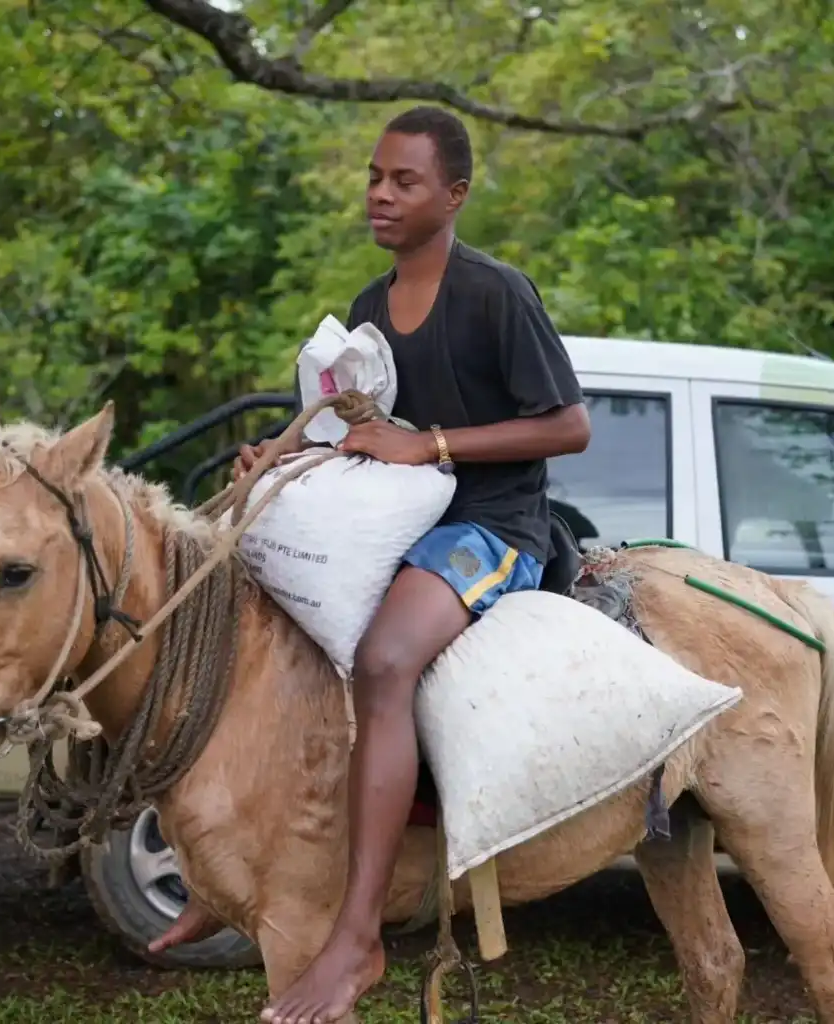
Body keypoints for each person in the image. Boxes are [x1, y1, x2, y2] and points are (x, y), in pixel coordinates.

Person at [149, 105, 591, 1023]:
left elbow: (568, 426)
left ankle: (356, 940)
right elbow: (353, 429)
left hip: (491, 527)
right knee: (259, 625)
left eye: (406, 181)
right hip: (392, 520)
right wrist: (281, 458)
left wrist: (428, 445)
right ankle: (225, 876)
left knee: (386, 661)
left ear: (455, 194)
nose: (381, 195)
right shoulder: (364, 309)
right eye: (375, 177)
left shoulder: (496, 294)